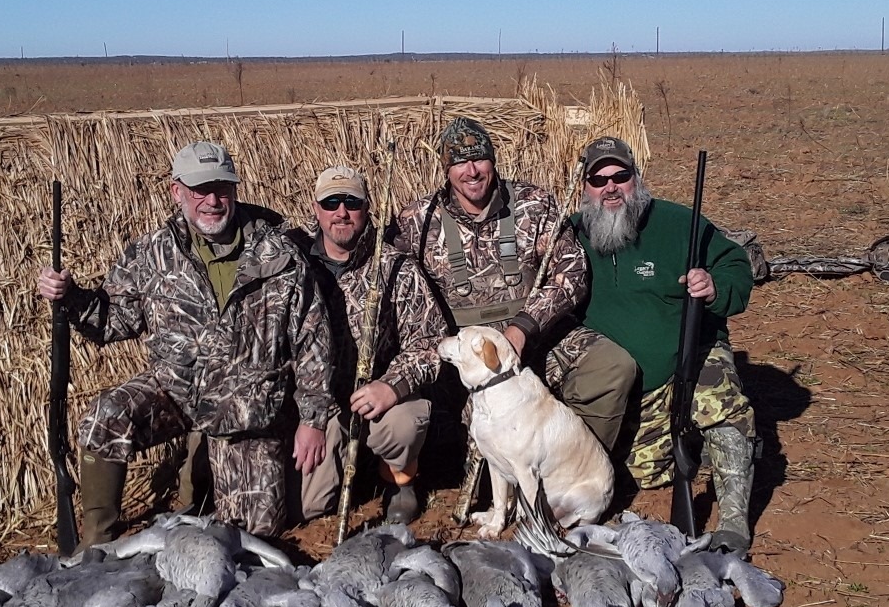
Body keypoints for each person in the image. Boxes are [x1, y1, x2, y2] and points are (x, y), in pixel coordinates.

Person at [35, 141, 334, 540]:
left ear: (235, 189)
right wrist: (70, 297)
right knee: (104, 416)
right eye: (199, 189)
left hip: (246, 409)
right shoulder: (153, 252)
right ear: (177, 191)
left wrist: (313, 420)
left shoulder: (279, 254)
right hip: (176, 392)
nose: (212, 200)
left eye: (222, 188)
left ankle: (204, 479)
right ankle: (96, 545)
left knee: (250, 538)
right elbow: (113, 321)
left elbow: (314, 340)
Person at [389, 117, 637, 455]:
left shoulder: (533, 204)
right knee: (476, 449)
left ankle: (573, 465)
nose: (472, 170)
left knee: (612, 366)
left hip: (535, 341)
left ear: (493, 161)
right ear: (447, 169)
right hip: (466, 358)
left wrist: (523, 327)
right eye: (460, 161)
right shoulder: (417, 219)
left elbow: (573, 271)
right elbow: (396, 286)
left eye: (479, 158)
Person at [569, 136, 759, 551]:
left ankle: (732, 522)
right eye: (598, 179)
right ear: (584, 186)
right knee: (643, 471)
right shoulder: (571, 236)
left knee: (721, 403)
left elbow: (736, 266)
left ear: (637, 178)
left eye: (622, 175)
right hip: (631, 385)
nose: (610, 187)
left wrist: (714, 286)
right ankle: (692, 445)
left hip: (692, 358)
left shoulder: (678, 224)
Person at [290, 165, 450, 524]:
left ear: (368, 208)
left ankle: (398, 478)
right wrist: (309, 412)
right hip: (321, 407)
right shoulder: (294, 267)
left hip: (377, 403)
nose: (341, 212)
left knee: (404, 424)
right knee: (309, 509)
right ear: (316, 210)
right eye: (331, 202)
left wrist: (391, 386)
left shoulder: (395, 267)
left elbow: (430, 342)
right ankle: (349, 467)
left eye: (352, 202)